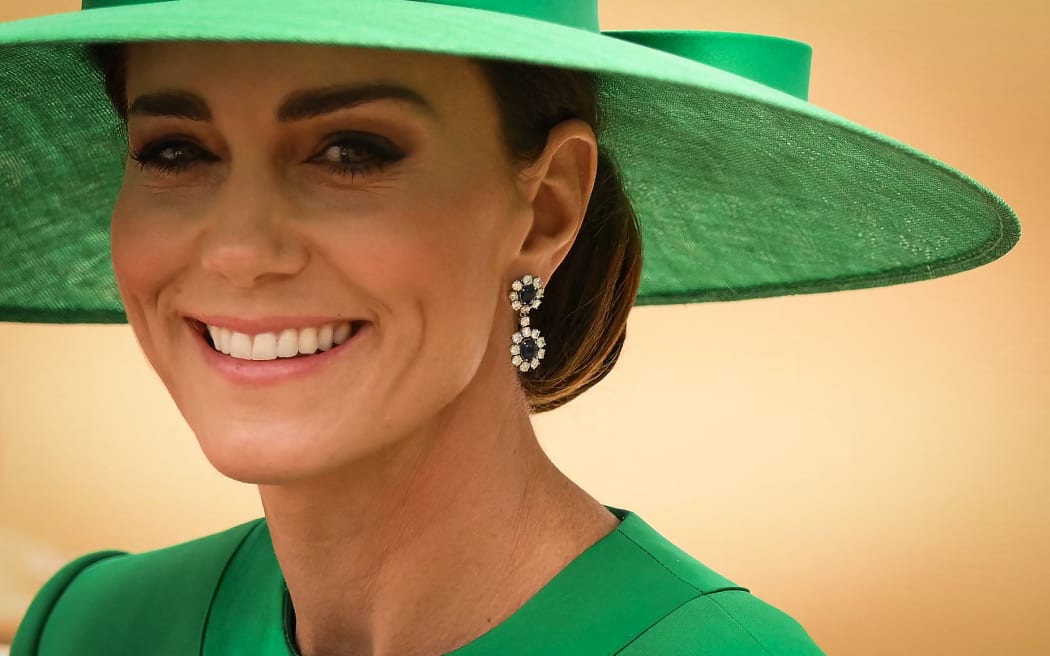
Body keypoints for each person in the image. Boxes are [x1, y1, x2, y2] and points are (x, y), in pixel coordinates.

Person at [0, 1, 1020, 655]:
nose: (238, 249)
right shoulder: (91, 627)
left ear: (544, 210)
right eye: (177, 150)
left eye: (350, 150)